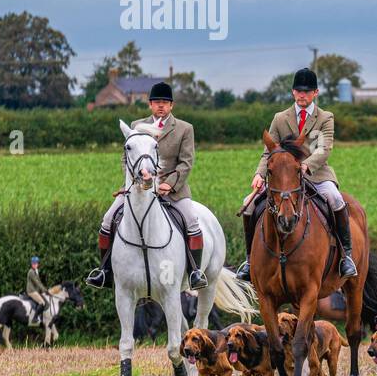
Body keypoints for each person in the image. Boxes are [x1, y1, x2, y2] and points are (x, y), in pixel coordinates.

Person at [235, 67, 356, 280]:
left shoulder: (325, 117)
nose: (302, 95)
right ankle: (249, 259)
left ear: (315, 93)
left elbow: (324, 148)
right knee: (249, 204)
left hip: (316, 175)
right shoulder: (280, 118)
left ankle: (346, 256)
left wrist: (306, 165)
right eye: (299, 91)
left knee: (335, 199)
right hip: (283, 177)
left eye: (307, 91)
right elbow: (268, 150)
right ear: (293, 92)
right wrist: (259, 174)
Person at [87, 82, 206, 290]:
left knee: (192, 221)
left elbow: (186, 162)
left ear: (172, 105)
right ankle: (104, 271)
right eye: (157, 102)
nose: (161, 106)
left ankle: (194, 271)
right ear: (150, 104)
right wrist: (135, 181)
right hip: (137, 188)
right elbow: (127, 158)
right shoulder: (136, 126)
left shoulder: (185, 129)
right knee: (107, 220)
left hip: (172, 190)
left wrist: (168, 184)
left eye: (165, 102)